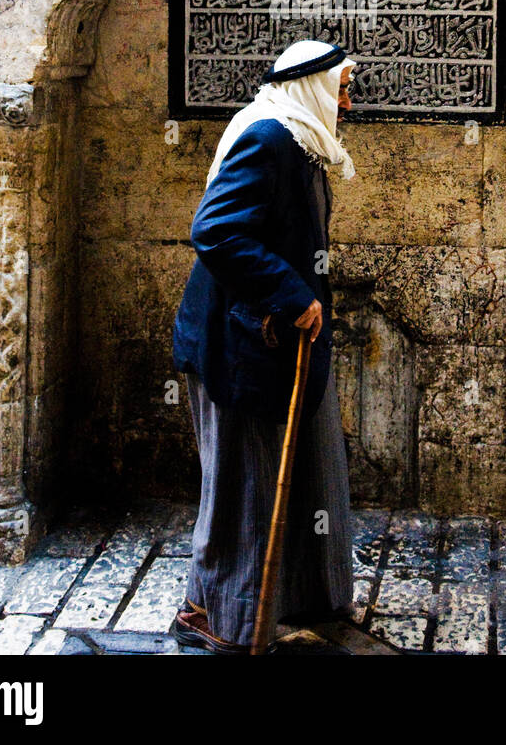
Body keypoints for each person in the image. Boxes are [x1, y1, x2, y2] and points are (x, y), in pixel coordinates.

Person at [171, 39, 357, 653]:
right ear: (313, 87)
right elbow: (216, 231)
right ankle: (230, 627)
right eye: (343, 87)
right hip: (236, 344)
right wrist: (293, 294)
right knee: (244, 490)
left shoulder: (297, 139)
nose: (348, 103)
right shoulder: (271, 138)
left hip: (260, 339)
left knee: (249, 483)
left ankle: (212, 606)